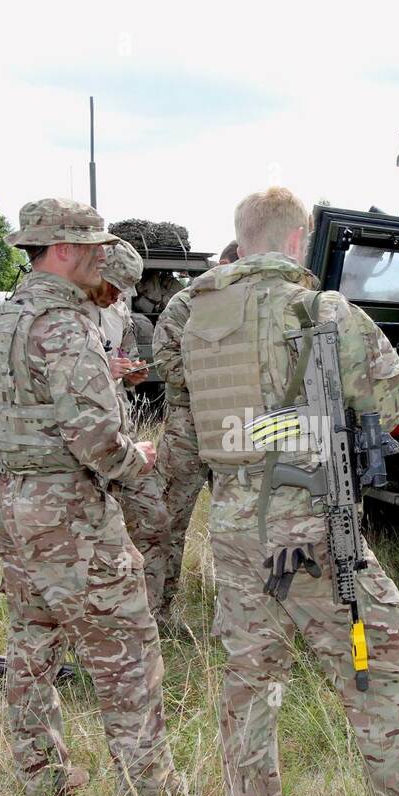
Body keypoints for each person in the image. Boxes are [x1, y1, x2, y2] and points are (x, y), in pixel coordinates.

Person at [179, 189, 399, 796]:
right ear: (297, 242)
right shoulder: (322, 310)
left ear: (241, 241)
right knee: (380, 669)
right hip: (307, 519)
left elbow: (195, 427)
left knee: (250, 683)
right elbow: (388, 404)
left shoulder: (195, 317)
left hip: (234, 522)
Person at [0, 198, 178, 796]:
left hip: (14, 497)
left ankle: (41, 779)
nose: (101, 257)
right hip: (69, 510)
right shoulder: (63, 325)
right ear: (62, 250)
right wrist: (134, 458)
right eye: (92, 246)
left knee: (33, 644)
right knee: (127, 652)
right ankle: (152, 795)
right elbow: (92, 435)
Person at [151, 239, 238, 611]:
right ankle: (158, 607)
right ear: (222, 263)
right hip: (188, 427)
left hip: (238, 430)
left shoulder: (249, 307)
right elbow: (168, 364)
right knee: (167, 519)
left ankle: (238, 610)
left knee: (241, 523)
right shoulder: (185, 305)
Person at [84, 238, 169, 613]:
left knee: (153, 518)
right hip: (86, 445)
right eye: (113, 284)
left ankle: (147, 611)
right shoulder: (65, 316)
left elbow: (126, 357)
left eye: (123, 289)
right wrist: (105, 368)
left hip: (122, 436)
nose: (116, 294)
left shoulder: (118, 312)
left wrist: (132, 372)